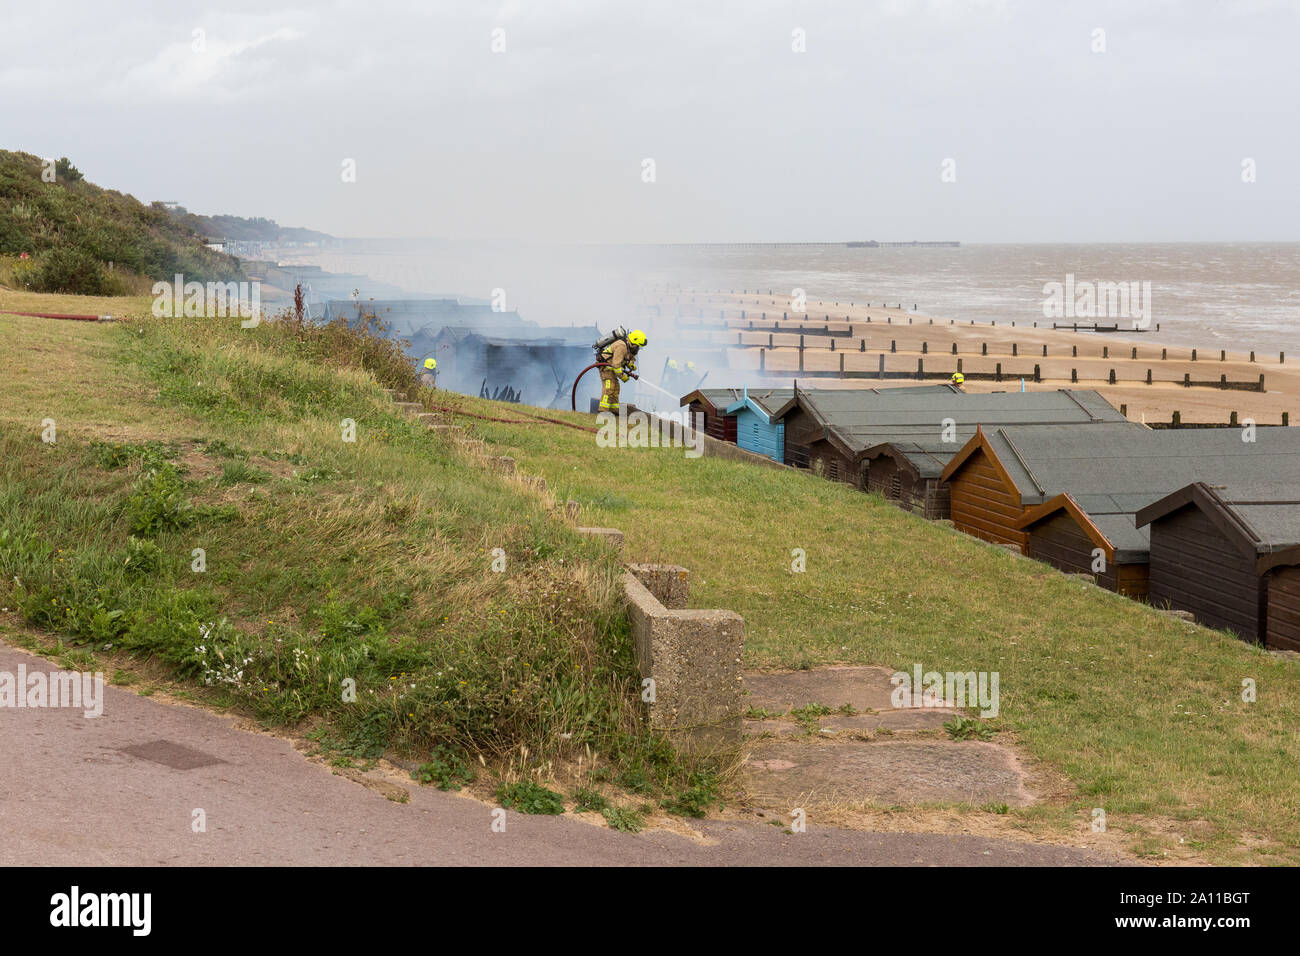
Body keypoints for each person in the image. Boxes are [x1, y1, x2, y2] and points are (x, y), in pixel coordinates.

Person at [598, 329, 646, 411]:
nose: (638, 348)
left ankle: (614, 410)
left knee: (616, 388)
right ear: (634, 342)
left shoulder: (628, 346)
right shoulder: (622, 346)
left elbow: (630, 356)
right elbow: (616, 365)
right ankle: (603, 410)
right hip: (606, 368)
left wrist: (630, 364)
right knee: (609, 388)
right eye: (638, 346)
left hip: (612, 369)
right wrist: (622, 376)